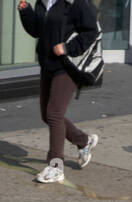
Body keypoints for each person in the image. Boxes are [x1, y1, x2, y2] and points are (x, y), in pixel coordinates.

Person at [18, 0, 101, 185]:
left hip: (67, 66)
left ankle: (55, 167)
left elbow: (91, 32)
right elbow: (36, 30)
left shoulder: (75, 4)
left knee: (54, 114)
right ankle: (84, 141)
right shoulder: (43, 2)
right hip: (48, 65)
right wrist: (26, 12)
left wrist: (67, 48)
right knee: (46, 115)